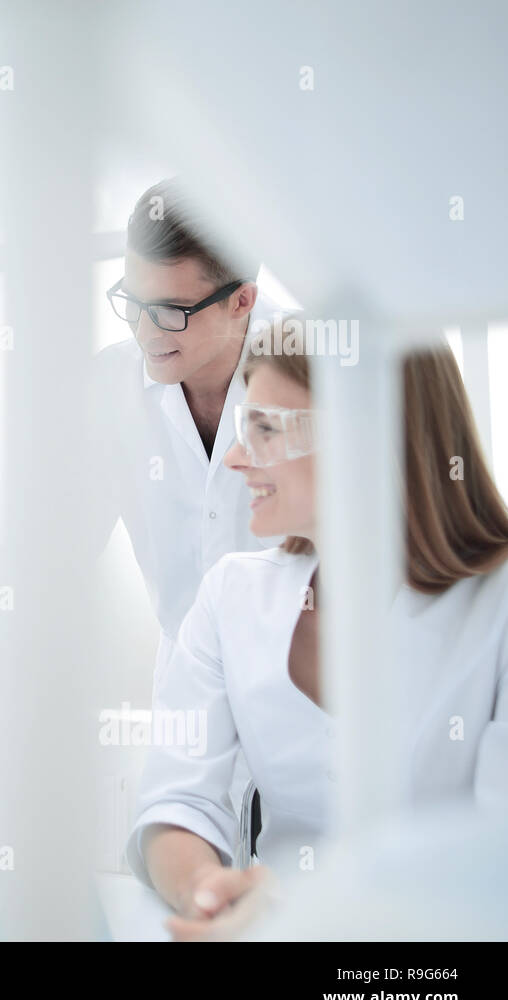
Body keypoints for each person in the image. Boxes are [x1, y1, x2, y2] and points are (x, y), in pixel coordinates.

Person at [126, 334, 508, 936]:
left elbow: (496, 857)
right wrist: (210, 892)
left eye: (266, 430)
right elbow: (177, 802)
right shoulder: (232, 595)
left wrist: (307, 908)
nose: (234, 458)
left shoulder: (496, 609)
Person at [94, 178, 282, 690]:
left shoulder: (320, 371)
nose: (144, 332)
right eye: (132, 301)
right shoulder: (109, 385)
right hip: (187, 682)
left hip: (311, 680)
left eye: (171, 311)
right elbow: (64, 544)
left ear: (242, 300)